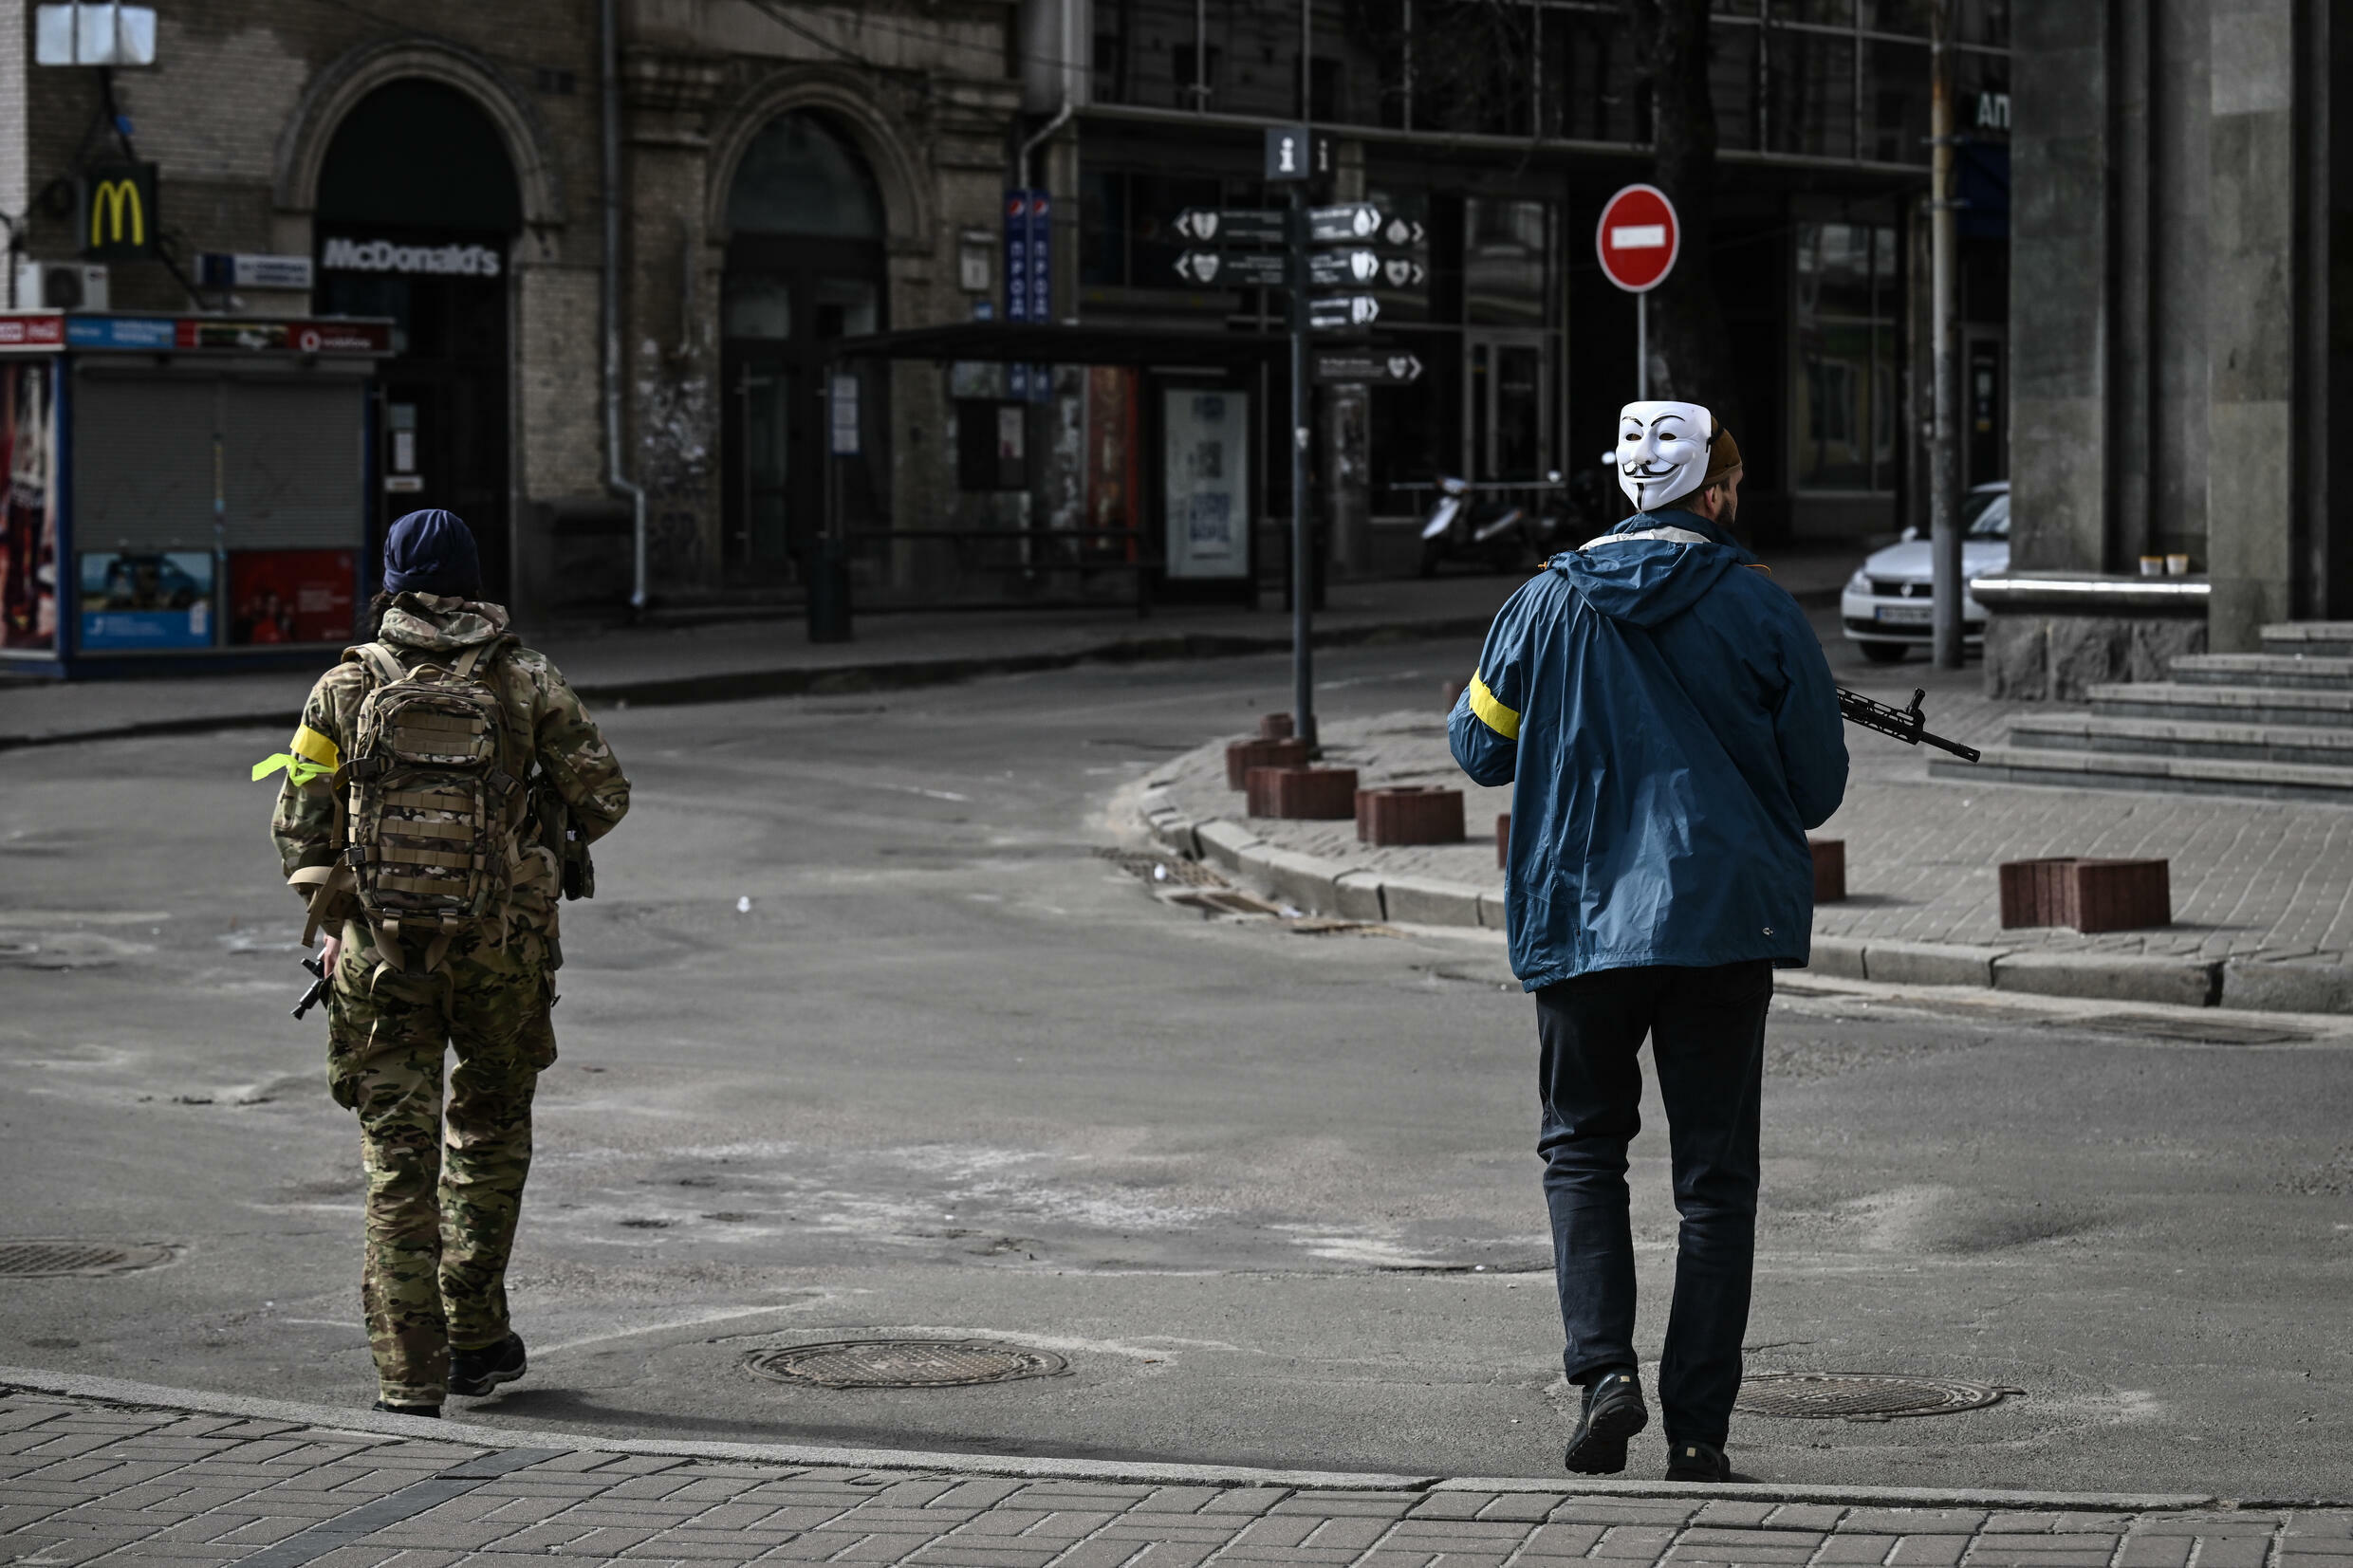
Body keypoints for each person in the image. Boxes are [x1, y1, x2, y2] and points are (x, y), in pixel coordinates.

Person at [1449, 402, 1846, 1483]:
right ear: (1712, 494)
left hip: (1580, 922)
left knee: (1581, 1148)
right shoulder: (1762, 610)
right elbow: (1815, 786)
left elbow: (1477, 747)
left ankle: (1600, 1375)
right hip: (1720, 924)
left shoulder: (1541, 602)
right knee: (1714, 1182)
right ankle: (1698, 1431)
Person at [263, 508, 630, 1417]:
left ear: (388, 580)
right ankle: (474, 1338)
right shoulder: (526, 679)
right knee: (491, 1131)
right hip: (501, 951)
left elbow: (297, 829)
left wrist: (345, 910)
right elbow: (607, 796)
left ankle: (408, 1371)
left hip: (380, 958)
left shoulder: (344, 687)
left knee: (397, 1156)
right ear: (473, 580)